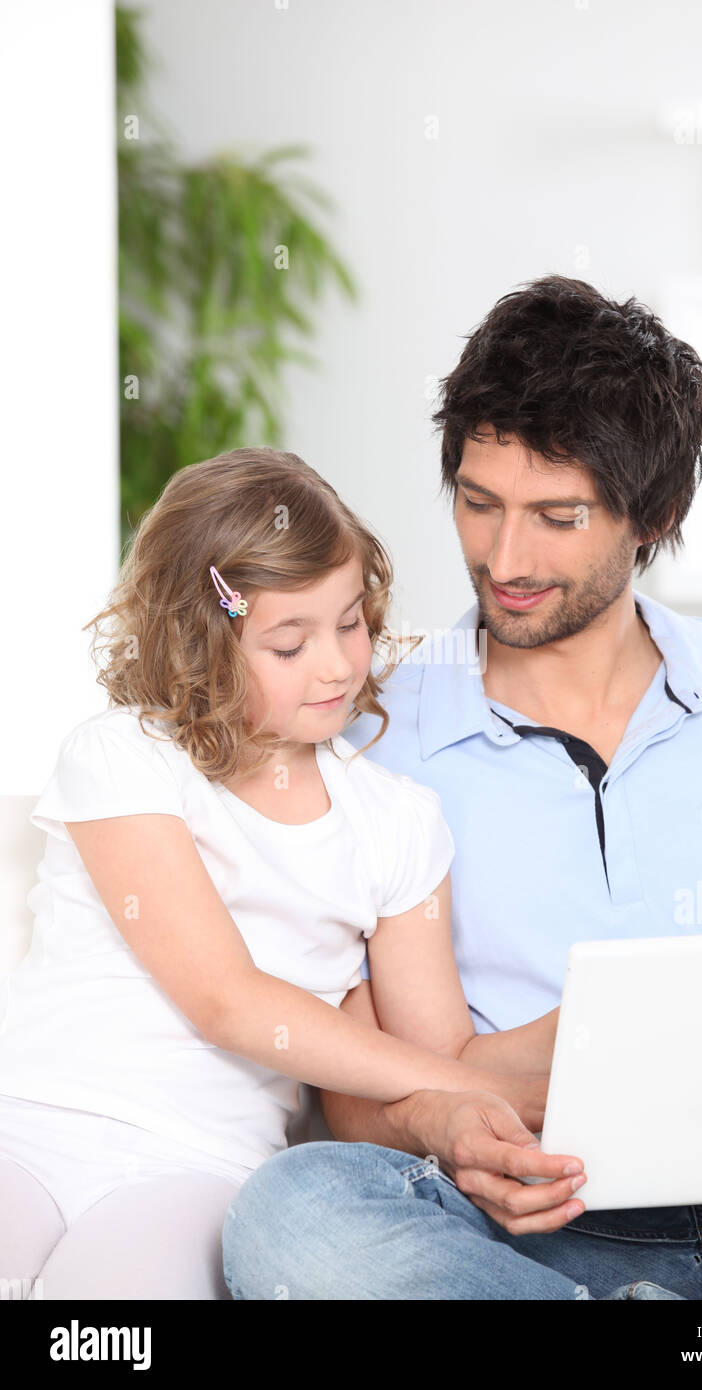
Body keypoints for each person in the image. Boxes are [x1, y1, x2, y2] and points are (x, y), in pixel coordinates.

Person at [221, 276, 702, 1301]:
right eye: (478, 506)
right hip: (533, 1226)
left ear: (651, 512)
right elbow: (356, 1088)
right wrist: (442, 1126)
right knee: (291, 1214)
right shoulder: (371, 730)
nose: (503, 557)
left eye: (555, 516)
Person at [0, 444, 577, 1301]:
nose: (339, 665)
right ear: (199, 643)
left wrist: (588, 1046)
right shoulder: (124, 756)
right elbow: (225, 1000)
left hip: (196, 1167)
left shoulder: (396, 823)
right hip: (31, 1128)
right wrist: (503, 1092)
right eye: (288, 642)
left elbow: (433, 1054)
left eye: (349, 622)